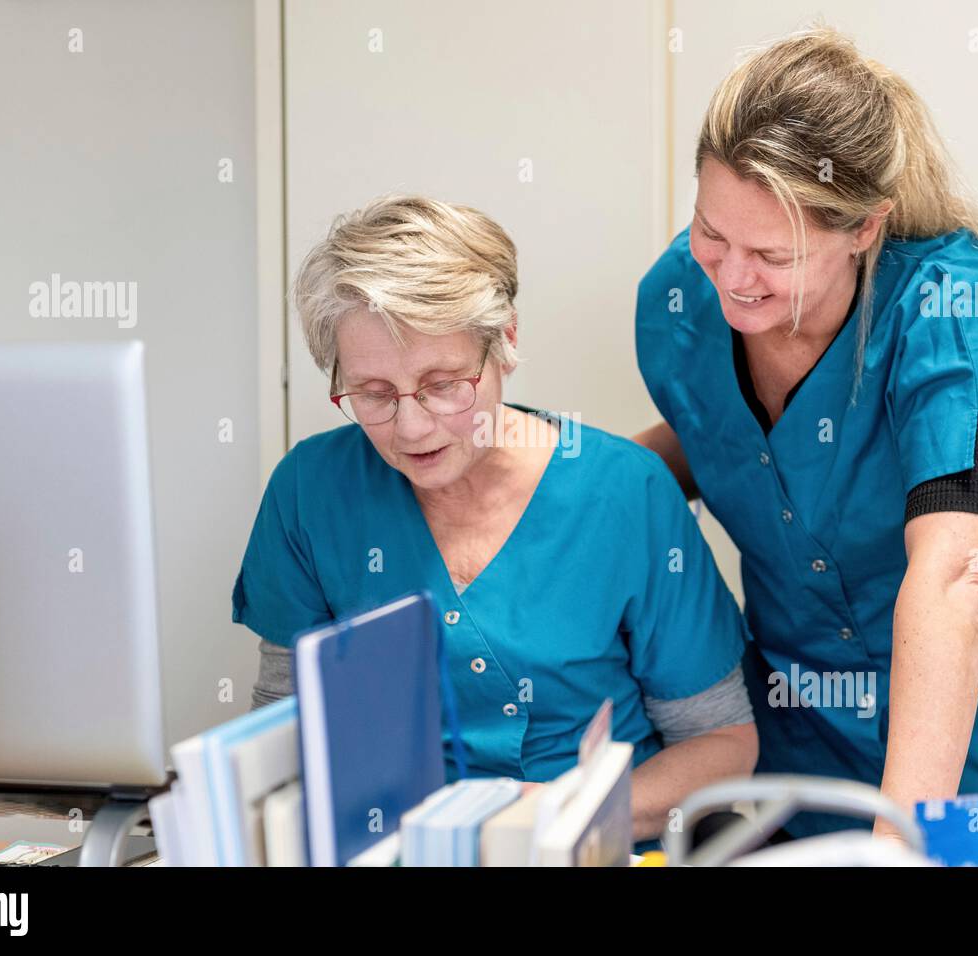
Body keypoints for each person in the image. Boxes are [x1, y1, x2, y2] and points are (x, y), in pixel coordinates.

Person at [633, 27, 978, 841]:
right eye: (713, 232)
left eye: (773, 254)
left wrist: (899, 845)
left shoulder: (960, 313)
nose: (732, 279)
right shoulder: (678, 303)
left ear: (865, 227)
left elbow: (956, 574)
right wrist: (559, 484)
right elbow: (726, 443)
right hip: (803, 737)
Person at [232, 194, 757, 843]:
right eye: (373, 394)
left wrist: (557, 812)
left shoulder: (626, 493)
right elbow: (282, 737)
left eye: (443, 383)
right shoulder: (311, 491)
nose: (412, 425)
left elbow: (721, 743)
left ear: (504, 341)